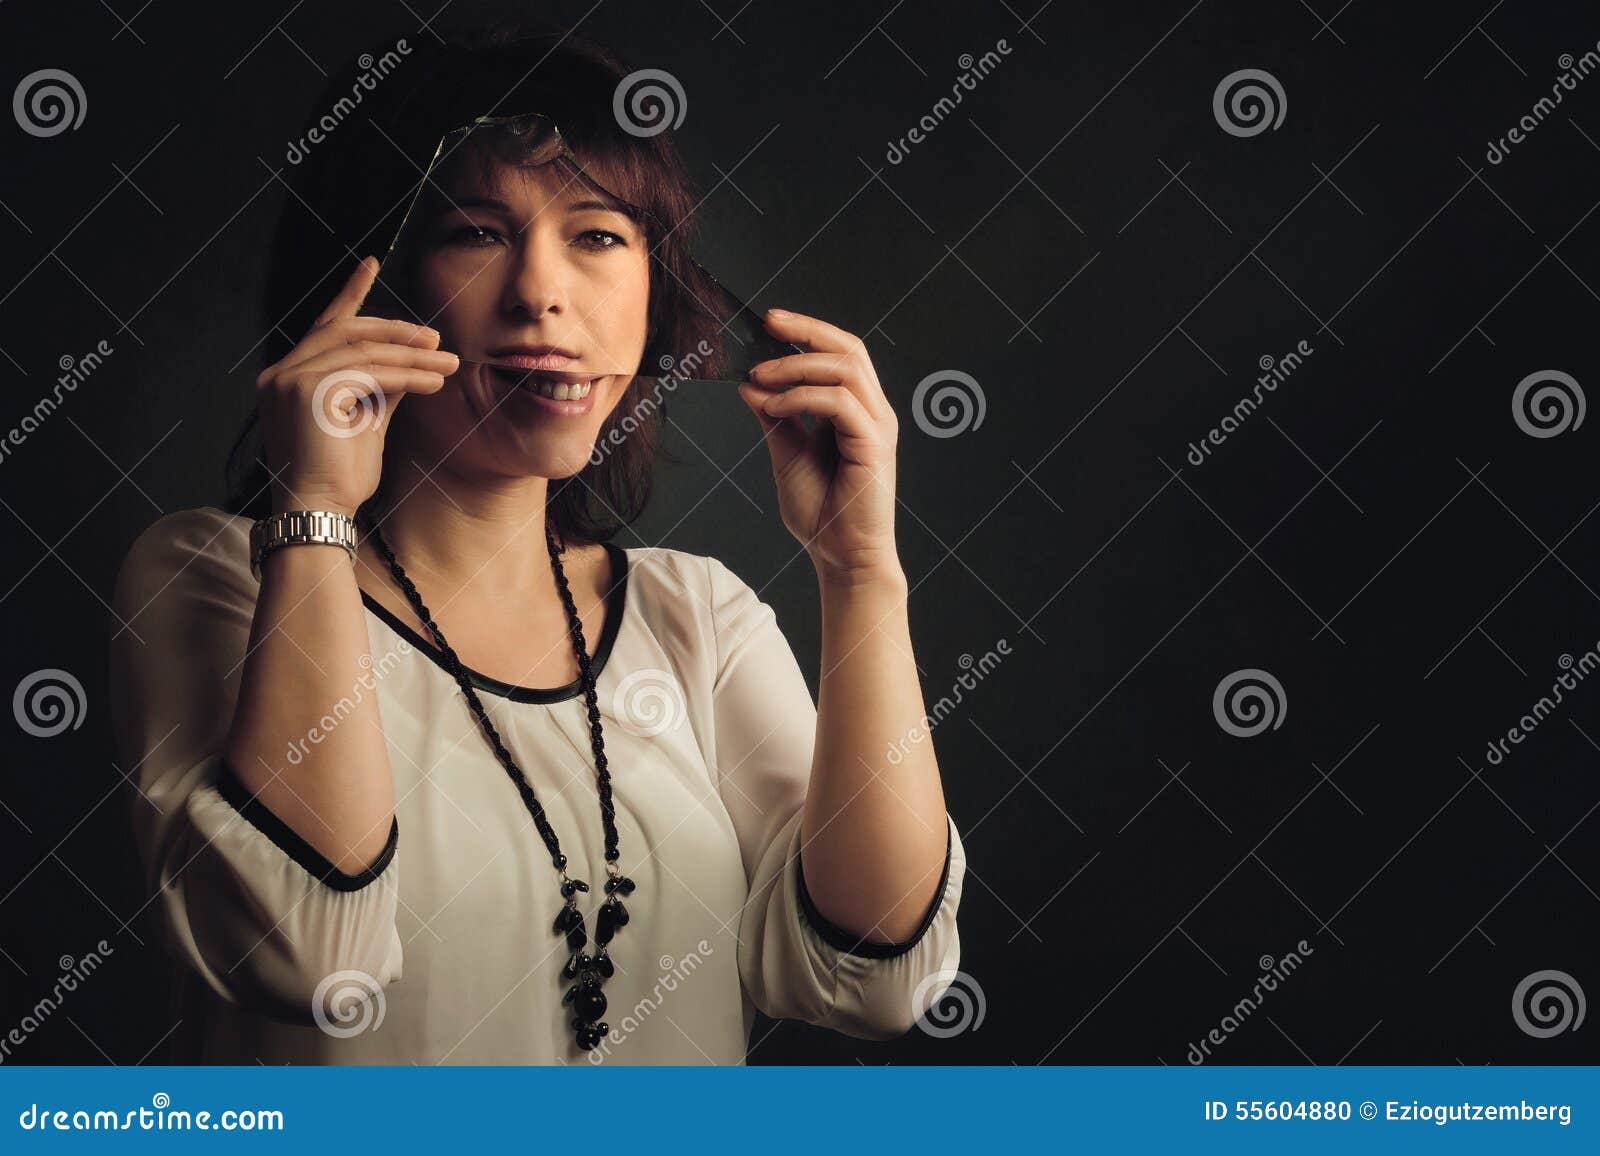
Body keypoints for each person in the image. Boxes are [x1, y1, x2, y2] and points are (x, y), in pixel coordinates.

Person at [109, 22, 965, 1064]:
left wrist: (861, 571)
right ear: (371, 283)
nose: (542, 294)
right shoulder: (214, 579)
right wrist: (317, 506)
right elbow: (302, 947)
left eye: (600, 235)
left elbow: (874, 975)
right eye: (475, 231)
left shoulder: (695, 617)